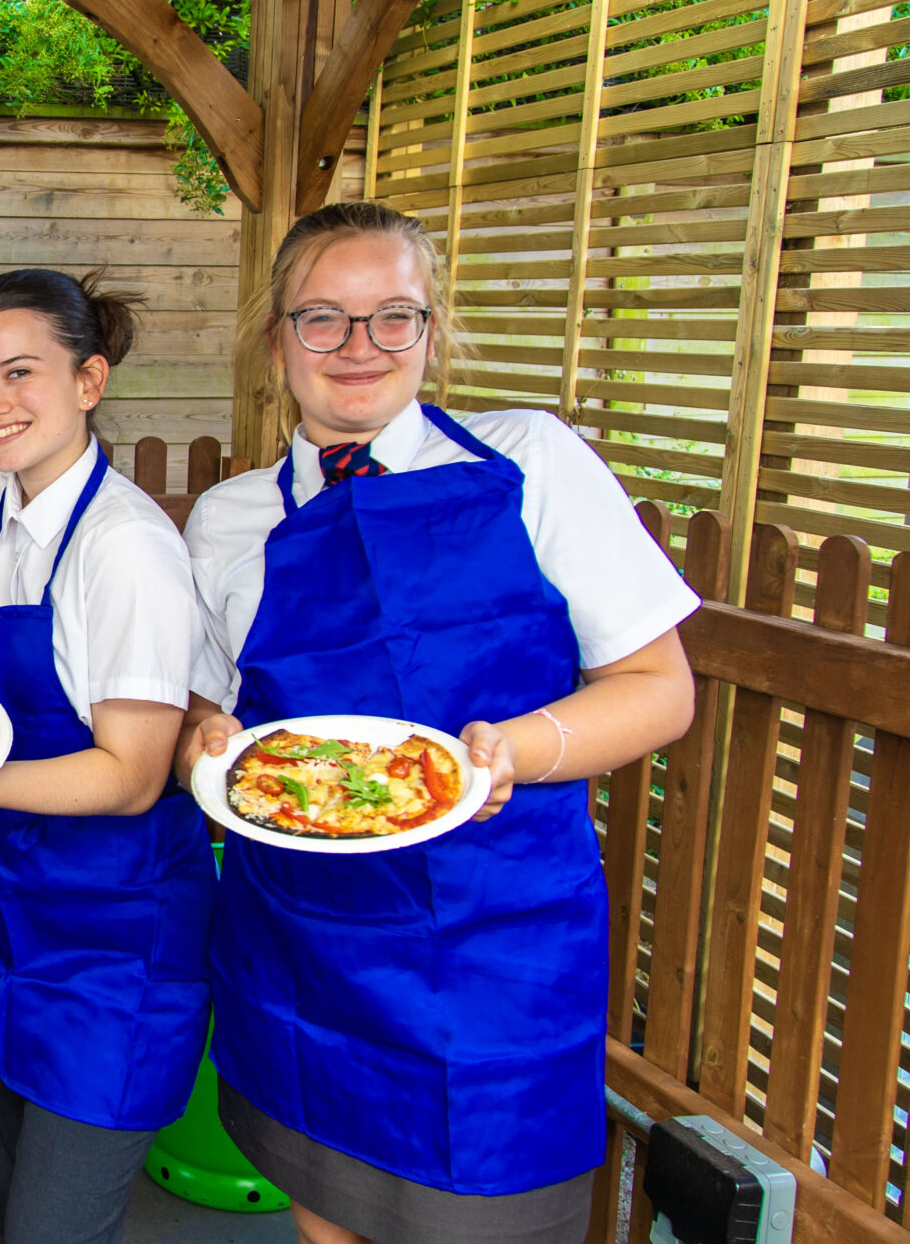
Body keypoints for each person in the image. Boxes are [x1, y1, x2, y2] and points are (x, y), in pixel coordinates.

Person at [179, 201, 699, 1244]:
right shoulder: (229, 516)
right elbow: (213, 704)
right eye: (321, 318)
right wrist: (202, 737)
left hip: (496, 944)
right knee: (326, 1219)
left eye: (393, 317)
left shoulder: (531, 464)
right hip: (302, 941)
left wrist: (517, 750)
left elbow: (658, 687)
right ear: (276, 337)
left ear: (432, 329)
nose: (357, 347)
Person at [0, 270, 213, 1244]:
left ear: (89, 381)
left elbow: (132, 775)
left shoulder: (125, 545)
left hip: (117, 943)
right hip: (7, 916)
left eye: (19, 372)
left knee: (55, 1226)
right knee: (10, 1211)